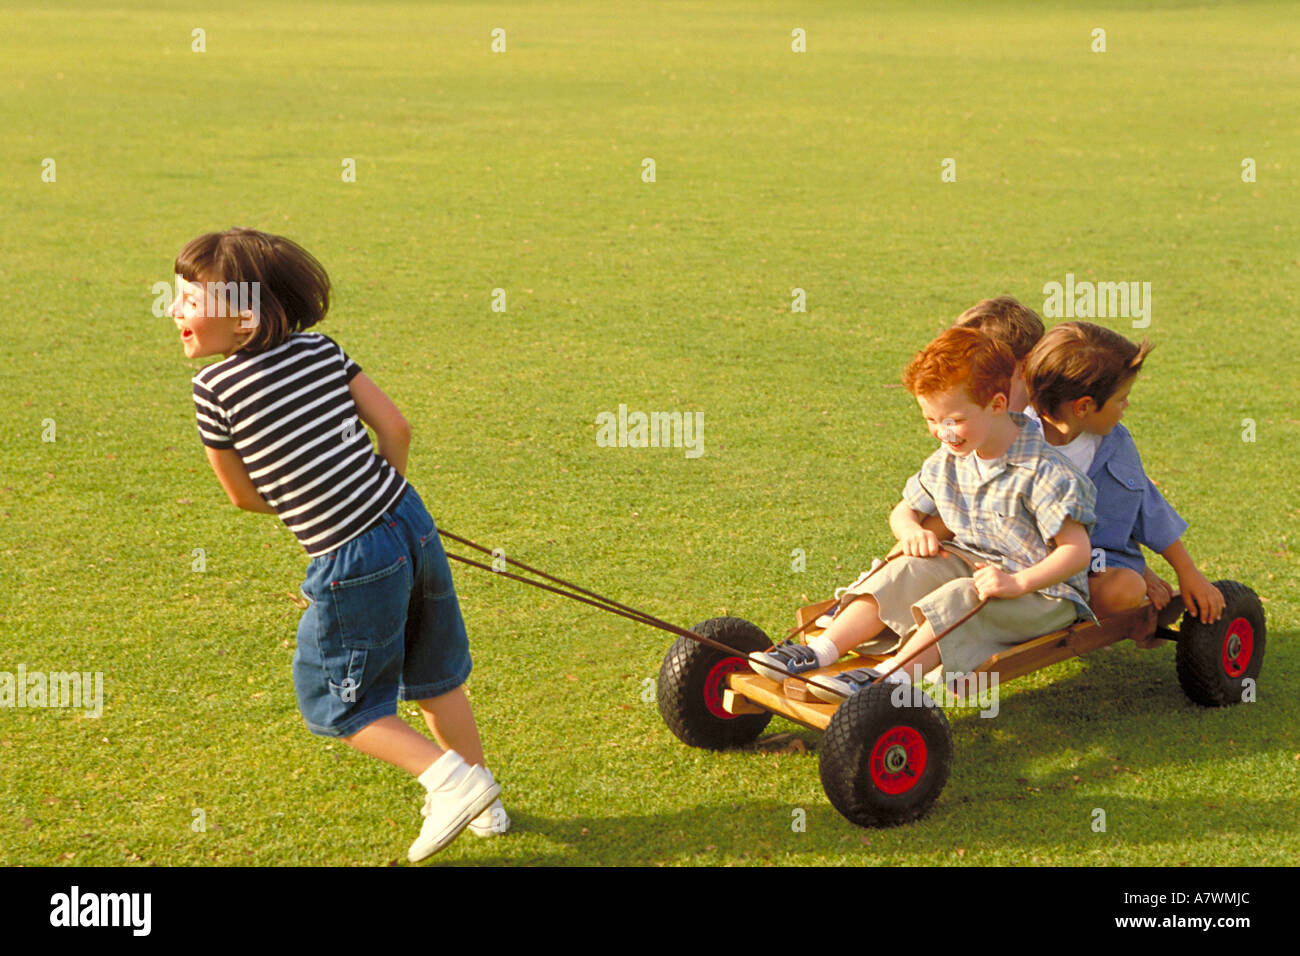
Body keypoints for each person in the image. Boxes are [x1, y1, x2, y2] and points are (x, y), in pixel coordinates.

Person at [170, 227, 505, 862]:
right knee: (435, 677)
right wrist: (384, 502)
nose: (175, 311)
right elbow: (396, 427)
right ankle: (484, 804)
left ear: (245, 317)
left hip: (348, 555)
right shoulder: (323, 350)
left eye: (190, 300)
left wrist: (334, 514)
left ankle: (451, 781)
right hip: (409, 519)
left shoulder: (213, 391)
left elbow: (242, 496)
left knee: (338, 704)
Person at [750, 326, 1097, 700]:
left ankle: (888, 678)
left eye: (952, 420)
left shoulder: (1044, 472)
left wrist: (1017, 584)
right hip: (977, 563)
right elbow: (903, 512)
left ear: (997, 405)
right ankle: (820, 650)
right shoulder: (952, 458)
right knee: (905, 568)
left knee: (964, 596)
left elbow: (1075, 552)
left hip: (1043, 594)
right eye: (930, 420)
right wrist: (910, 530)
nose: (941, 432)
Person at [1023, 321, 1224, 622]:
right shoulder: (1015, 440)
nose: (1126, 405)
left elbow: (1143, 504)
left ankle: (1088, 615)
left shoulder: (1113, 441)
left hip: (1091, 563)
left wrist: (1187, 571)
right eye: (1121, 398)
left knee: (1127, 588)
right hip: (1022, 562)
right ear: (1084, 407)